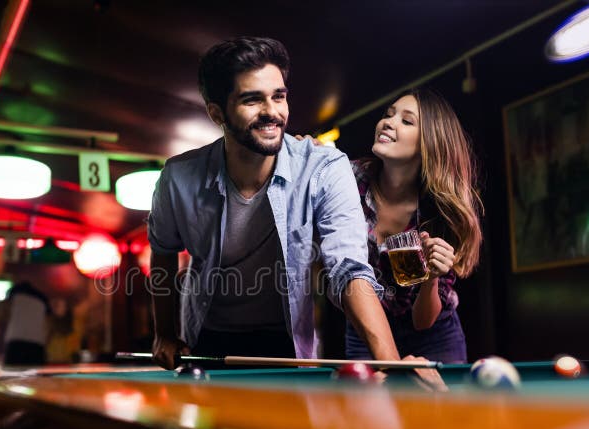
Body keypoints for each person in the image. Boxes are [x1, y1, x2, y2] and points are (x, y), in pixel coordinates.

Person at [147, 36, 444, 388]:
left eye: (279, 96)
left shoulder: (325, 167)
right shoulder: (178, 177)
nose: (271, 111)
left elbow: (348, 269)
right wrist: (164, 334)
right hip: (207, 342)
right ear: (217, 113)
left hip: (287, 344)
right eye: (251, 100)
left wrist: (390, 364)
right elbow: (163, 251)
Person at [345, 89, 483, 364]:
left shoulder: (442, 211)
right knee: (368, 406)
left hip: (434, 335)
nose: (388, 122)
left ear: (429, 143)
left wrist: (431, 278)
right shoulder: (349, 180)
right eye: (388, 114)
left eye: (406, 121)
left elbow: (423, 322)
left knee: (439, 408)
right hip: (367, 326)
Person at [0, 280, 51, 366]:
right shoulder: (42, 300)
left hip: (16, 343)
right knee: (36, 378)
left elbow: (4, 315)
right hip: (37, 346)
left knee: (12, 376)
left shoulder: (14, 295)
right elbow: (47, 326)